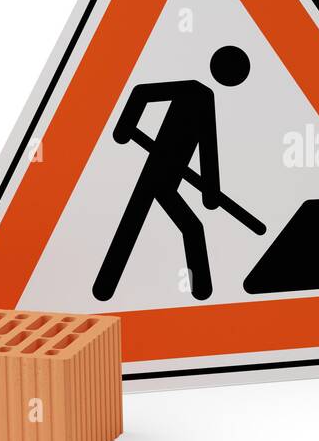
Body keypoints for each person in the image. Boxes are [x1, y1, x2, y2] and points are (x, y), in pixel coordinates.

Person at [92, 45, 251, 302]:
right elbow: (141, 92)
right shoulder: (192, 90)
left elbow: (207, 147)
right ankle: (104, 290)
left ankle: (105, 289)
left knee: (165, 226)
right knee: (143, 226)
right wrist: (124, 127)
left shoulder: (202, 96)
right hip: (155, 171)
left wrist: (210, 191)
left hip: (169, 179)